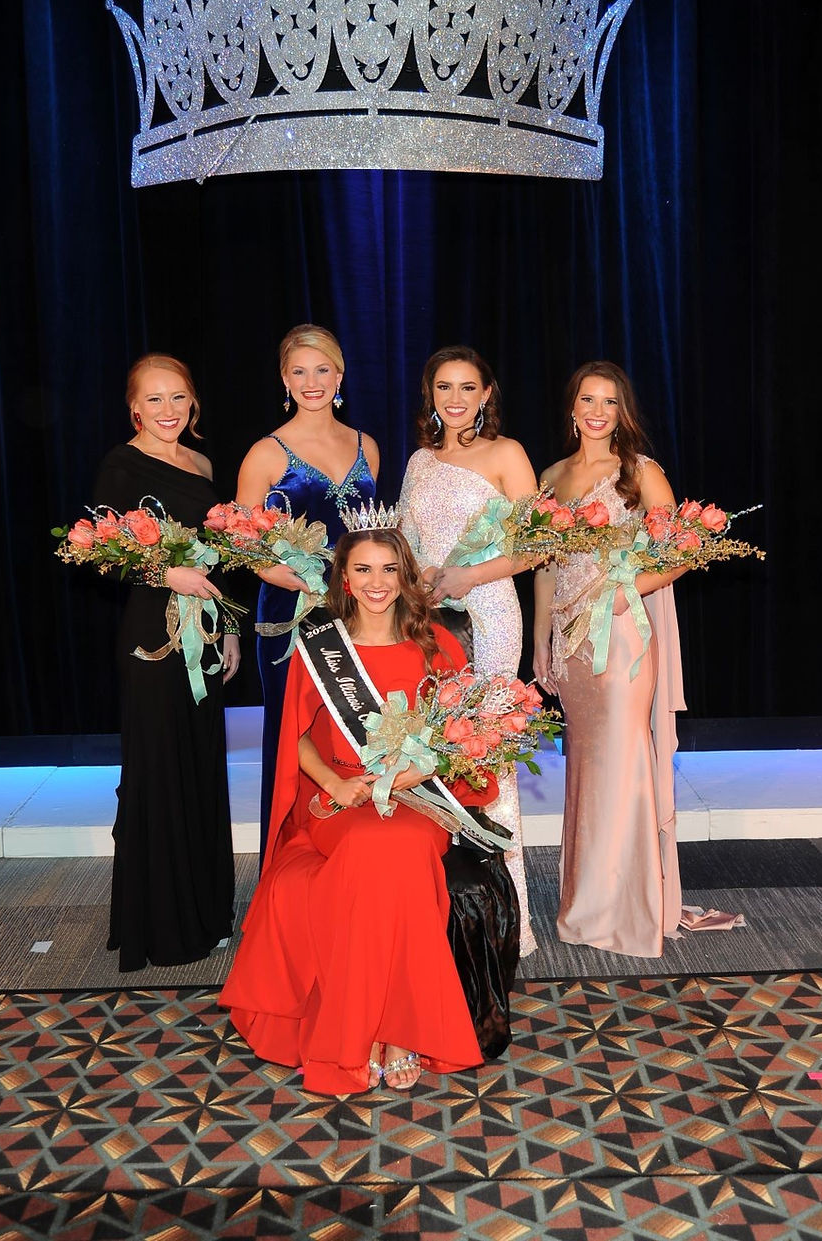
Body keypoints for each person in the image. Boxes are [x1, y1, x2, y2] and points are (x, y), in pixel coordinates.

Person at [218, 527, 495, 1094]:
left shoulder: (440, 645)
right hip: (339, 797)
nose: (376, 583)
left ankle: (387, 1030)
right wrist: (331, 783)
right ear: (344, 578)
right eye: (363, 570)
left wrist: (419, 772)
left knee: (393, 849)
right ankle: (382, 1029)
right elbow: (293, 735)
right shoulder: (319, 649)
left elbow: (463, 733)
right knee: (371, 847)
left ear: (405, 575)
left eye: (388, 570)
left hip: (415, 798)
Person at [533, 360, 697, 957]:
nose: (597, 412)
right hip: (572, 647)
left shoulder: (641, 473)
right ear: (572, 408)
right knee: (583, 768)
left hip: (624, 639)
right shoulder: (551, 475)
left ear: (622, 412)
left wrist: (624, 590)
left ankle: (624, 910)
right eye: (587, 400)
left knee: (623, 765)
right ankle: (585, 900)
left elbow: (682, 553)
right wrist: (541, 639)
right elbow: (546, 568)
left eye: (609, 402)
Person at [92, 353, 238, 972]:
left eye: (178, 398)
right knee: (158, 768)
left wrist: (229, 630)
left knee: (200, 768)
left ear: (193, 402)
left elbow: (224, 554)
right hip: (151, 638)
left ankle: (205, 913)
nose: (168, 410)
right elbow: (101, 549)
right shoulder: (121, 465)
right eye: (154, 400)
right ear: (134, 408)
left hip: (205, 634)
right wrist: (164, 570)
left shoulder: (201, 464)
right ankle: (161, 925)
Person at [398, 345, 539, 958]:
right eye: (443, 388)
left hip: (487, 615)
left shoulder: (507, 455)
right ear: (430, 395)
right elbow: (402, 544)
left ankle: (506, 916)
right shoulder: (419, 460)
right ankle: (441, 904)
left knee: (485, 746)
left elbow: (537, 547)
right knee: (428, 744)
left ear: (487, 395)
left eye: (467, 388)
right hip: (428, 621)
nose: (454, 400)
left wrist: (467, 578)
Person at [234, 325, 378, 863]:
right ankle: (286, 859)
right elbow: (244, 544)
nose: (311, 382)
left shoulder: (368, 446)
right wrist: (295, 580)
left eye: (323, 370)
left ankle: (351, 855)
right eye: (299, 371)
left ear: (340, 376)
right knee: (294, 726)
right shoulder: (265, 453)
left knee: (350, 727)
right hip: (290, 614)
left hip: (359, 611)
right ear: (284, 380)